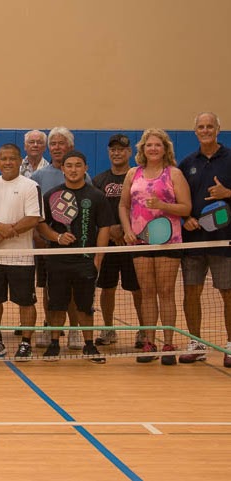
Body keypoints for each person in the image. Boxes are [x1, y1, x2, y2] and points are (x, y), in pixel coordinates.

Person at [118, 129, 191, 364]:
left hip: (168, 242)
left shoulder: (174, 174)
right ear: (143, 149)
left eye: (157, 145)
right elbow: (123, 205)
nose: (153, 149)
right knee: (147, 293)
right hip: (140, 241)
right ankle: (149, 341)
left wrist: (162, 205)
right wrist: (128, 229)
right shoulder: (133, 173)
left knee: (166, 292)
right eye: (149, 145)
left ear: (165, 149)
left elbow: (186, 208)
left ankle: (168, 343)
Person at [37, 150, 111, 363]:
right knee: (56, 304)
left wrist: (98, 258)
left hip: (85, 260)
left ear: (85, 168)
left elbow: (104, 227)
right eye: (69, 165)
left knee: (85, 306)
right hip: (58, 259)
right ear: (63, 169)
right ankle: (54, 344)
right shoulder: (51, 195)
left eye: (78, 165)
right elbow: (41, 224)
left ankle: (89, 346)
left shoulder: (96, 196)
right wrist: (57, 237)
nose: (73, 169)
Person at [0, 143, 42, 360]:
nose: (7, 163)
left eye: (12, 158)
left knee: (26, 302)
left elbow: (33, 218)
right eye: (3, 159)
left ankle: (25, 343)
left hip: (21, 258)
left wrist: (4, 233)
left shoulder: (31, 186)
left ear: (19, 160)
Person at [30, 126, 90, 350]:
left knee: (74, 290)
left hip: (75, 246)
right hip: (47, 244)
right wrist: (41, 236)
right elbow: (34, 211)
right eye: (53, 143)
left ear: (70, 147)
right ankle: (49, 325)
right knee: (48, 289)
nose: (56, 147)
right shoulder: (38, 176)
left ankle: (74, 329)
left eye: (61, 143)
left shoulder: (84, 176)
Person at [178, 112, 231, 367]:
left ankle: (230, 346)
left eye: (210, 126)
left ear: (218, 130)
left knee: (228, 293)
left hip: (224, 240)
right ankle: (195, 343)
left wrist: (227, 192)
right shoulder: (187, 163)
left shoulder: (230, 158)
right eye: (201, 126)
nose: (206, 130)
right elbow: (178, 199)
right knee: (191, 292)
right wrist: (185, 217)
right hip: (194, 239)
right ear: (195, 131)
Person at [92, 134, 142, 346]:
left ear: (130, 152)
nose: (117, 152)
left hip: (133, 241)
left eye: (121, 149)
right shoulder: (99, 180)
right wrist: (110, 231)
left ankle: (143, 330)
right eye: (113, 149)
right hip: (108, 243)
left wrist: (126, 230)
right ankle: (108, 328)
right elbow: (94, 210)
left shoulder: (138, 176)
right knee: (107, 287)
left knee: (138, 288)